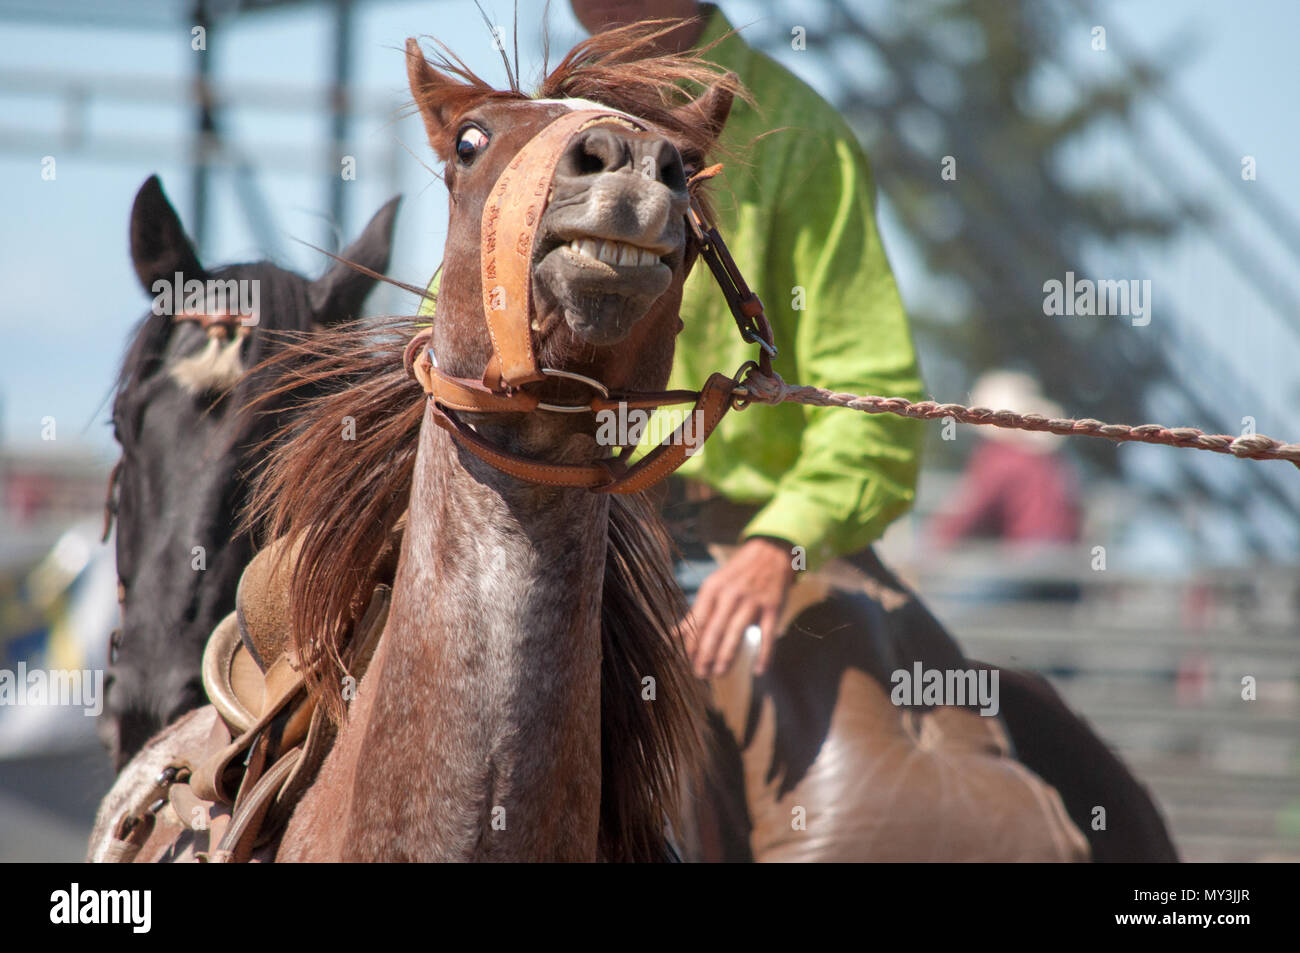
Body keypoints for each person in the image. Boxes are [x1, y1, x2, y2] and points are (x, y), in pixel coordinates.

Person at [569, 0, 926, 679]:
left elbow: (872, 400)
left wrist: (779, 543)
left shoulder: (802, 136)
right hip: (560, 532)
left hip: (733, 546)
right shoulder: (537, 132)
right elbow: (453, 350)